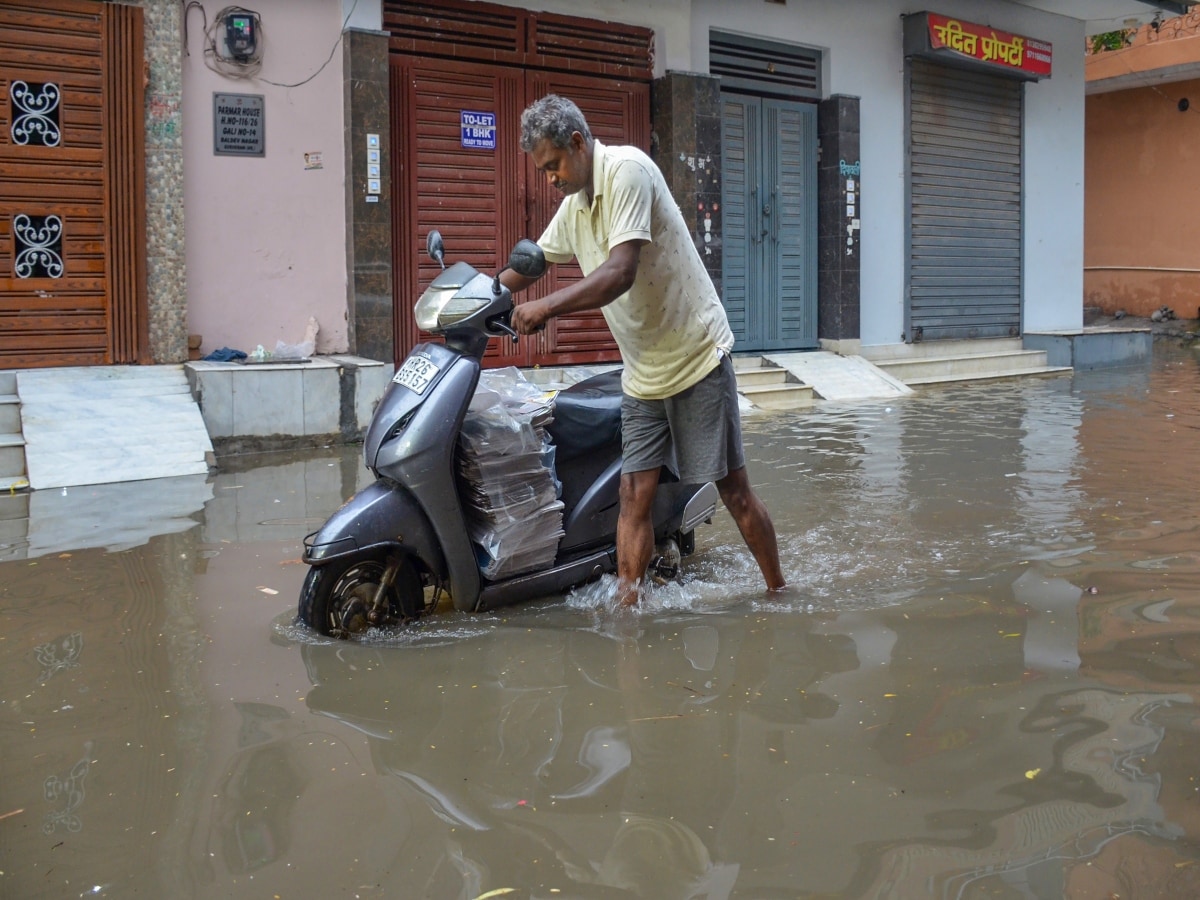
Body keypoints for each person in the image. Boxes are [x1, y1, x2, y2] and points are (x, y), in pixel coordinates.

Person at [504, 94, 786, 606]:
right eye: (543, 171)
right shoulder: (574, 210)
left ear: (578, 142)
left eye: (554, 165)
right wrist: (484, 295)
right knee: (633, 495)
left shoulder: (627, 172)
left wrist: (544, 310)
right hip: (644, 374)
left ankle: (779, 592)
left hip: (696, 357)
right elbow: (534, 261)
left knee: (735, 493)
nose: (551, 180)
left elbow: (620, 271)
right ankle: (628, 614)